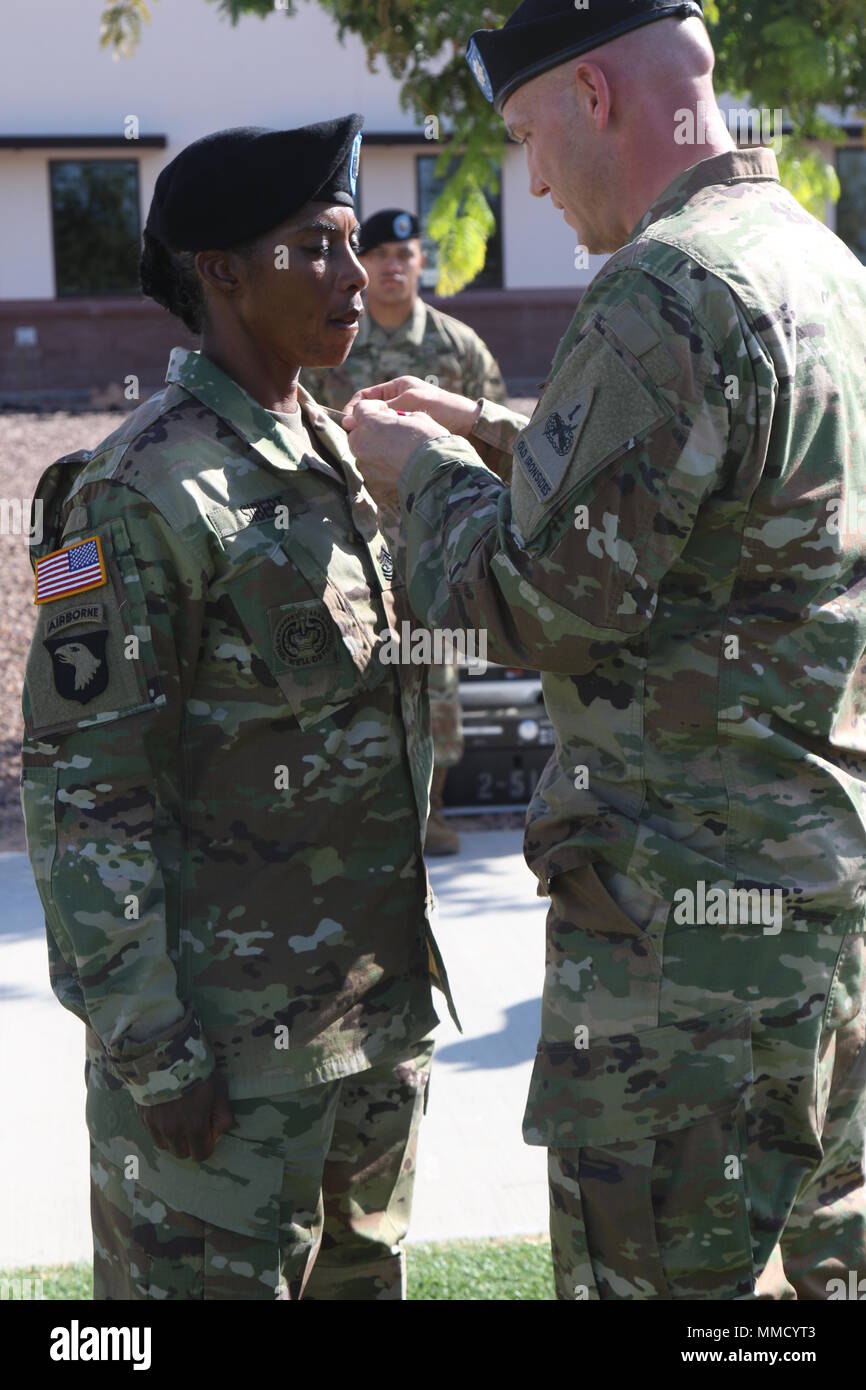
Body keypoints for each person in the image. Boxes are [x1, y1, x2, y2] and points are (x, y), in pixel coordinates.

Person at [341, 0, 866, 1301]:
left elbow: (534, 605)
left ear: (592, 93)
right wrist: (506, 430)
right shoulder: (819, 265)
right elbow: (725, 520)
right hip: (824, 901)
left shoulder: (657, 287)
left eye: (523, 133)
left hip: (680, 947)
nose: (526, 175)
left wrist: (427, 478)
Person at [19, 116, 458, 1301]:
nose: (353, 276)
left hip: (368, 1033)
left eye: (353, 243)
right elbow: (83, 792)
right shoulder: (133, 490)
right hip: (224, 1061)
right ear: (219, 271)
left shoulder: (335, 452)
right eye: (314, 247)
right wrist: (155, 1050)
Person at [304, 208, 510, 855]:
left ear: (422, 262)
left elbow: (495, 447)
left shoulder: (457, 347)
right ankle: (360, 812)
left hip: (433, 538)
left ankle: (431, 811)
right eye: (382, 255)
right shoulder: (331, 338)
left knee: (434, 672)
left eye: (405, 255)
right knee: (351, 667)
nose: (393, 267)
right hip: (350, 536)